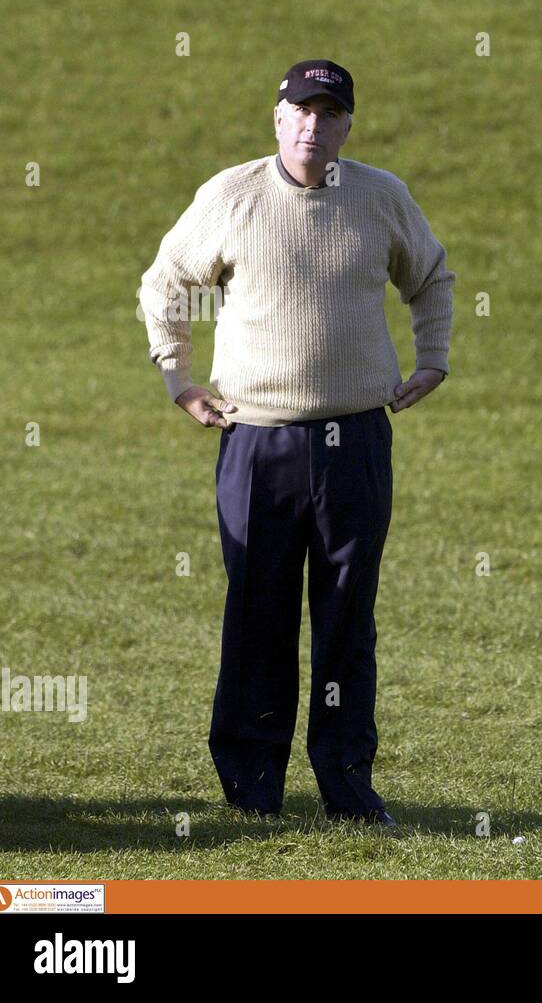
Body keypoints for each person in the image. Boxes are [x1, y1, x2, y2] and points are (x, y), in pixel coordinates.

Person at [138, 59, 454, 828]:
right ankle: (252, 783)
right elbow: (167, 282)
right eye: (300, 112)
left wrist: (433, 359)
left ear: (348, 124)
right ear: (278, 119)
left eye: (329, 112)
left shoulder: (381, 197)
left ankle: (347, 780)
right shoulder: (233, 195)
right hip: (257, 441)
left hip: (357, 443)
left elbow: (432, 277)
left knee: (348, 613)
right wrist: (178, 377)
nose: (314, 126)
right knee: (258, 610)